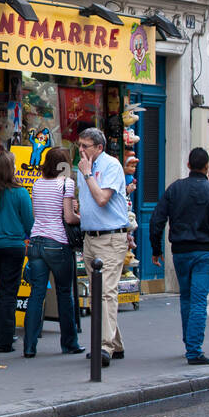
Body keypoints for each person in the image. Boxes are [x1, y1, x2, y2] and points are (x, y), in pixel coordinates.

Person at [149, 148, 209, 365]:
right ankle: (194, 350)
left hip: (180, 251)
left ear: (188, 165)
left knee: (187, 297)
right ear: (207, 167)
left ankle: (188, 342)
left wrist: (156, 249)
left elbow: (156, 220)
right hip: (204, 252)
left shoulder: (174, 189)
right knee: (200, 300)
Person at [75, 127, 130, 366]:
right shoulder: (82, 167)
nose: (80, 150)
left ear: (99, 147)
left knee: (106, 292)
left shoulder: (111, 166)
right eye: (79, 145)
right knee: (99, 293)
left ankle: (104, 346)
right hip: (90, 237)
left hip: (110, 237)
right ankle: (115, 344)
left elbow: (102, 198)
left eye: (85, 146)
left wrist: (87, 175)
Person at [24, 147, 84, 357]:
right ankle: (69, 343)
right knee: (64, 294)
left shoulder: (37, 183)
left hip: (36, 242)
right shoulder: (67, 183)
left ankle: (29, 346)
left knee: (36, 294)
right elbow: (68, 218)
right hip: (57, 243)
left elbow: (38, 212)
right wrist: (82, 218)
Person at [0, 150, 34, 353]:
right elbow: (30, 222)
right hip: (14, 246)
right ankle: (4, 338)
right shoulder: (21, 192)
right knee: (8, 293)